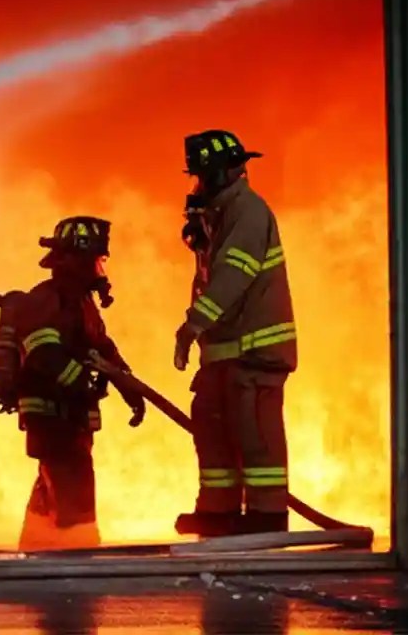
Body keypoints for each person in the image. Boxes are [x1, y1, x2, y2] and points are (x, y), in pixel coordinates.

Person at [0, 216, 145, 551]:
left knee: (51, 489)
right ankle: (78, 557)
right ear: (74, 259)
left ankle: (37, 548)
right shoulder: (46, 300)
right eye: (95, 260)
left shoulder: (81, 304)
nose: (99, 268)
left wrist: (129, 388)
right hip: (53, 417)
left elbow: (103, 348)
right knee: (74, 490)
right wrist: (83, 387)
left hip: (69, 420)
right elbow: (44, 355)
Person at [171, 129, 297, 537]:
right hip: (224, 352)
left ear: (220, 175)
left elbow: (232, 275)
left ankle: (267, 514)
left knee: (254, 434)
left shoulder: (248, 212)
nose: (197, 186)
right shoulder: (219, 216)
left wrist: (194, 324)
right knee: (211, 427)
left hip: (255, 351)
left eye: (202, 177)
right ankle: (219, 510)